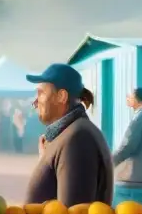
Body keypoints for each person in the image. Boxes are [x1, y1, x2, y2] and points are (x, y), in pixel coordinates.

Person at [25, 63, 112, 206]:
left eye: (41, 93)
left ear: (61, 96)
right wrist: (46, 161)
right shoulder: (70, 134)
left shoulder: (78, 138)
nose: (35, 102)